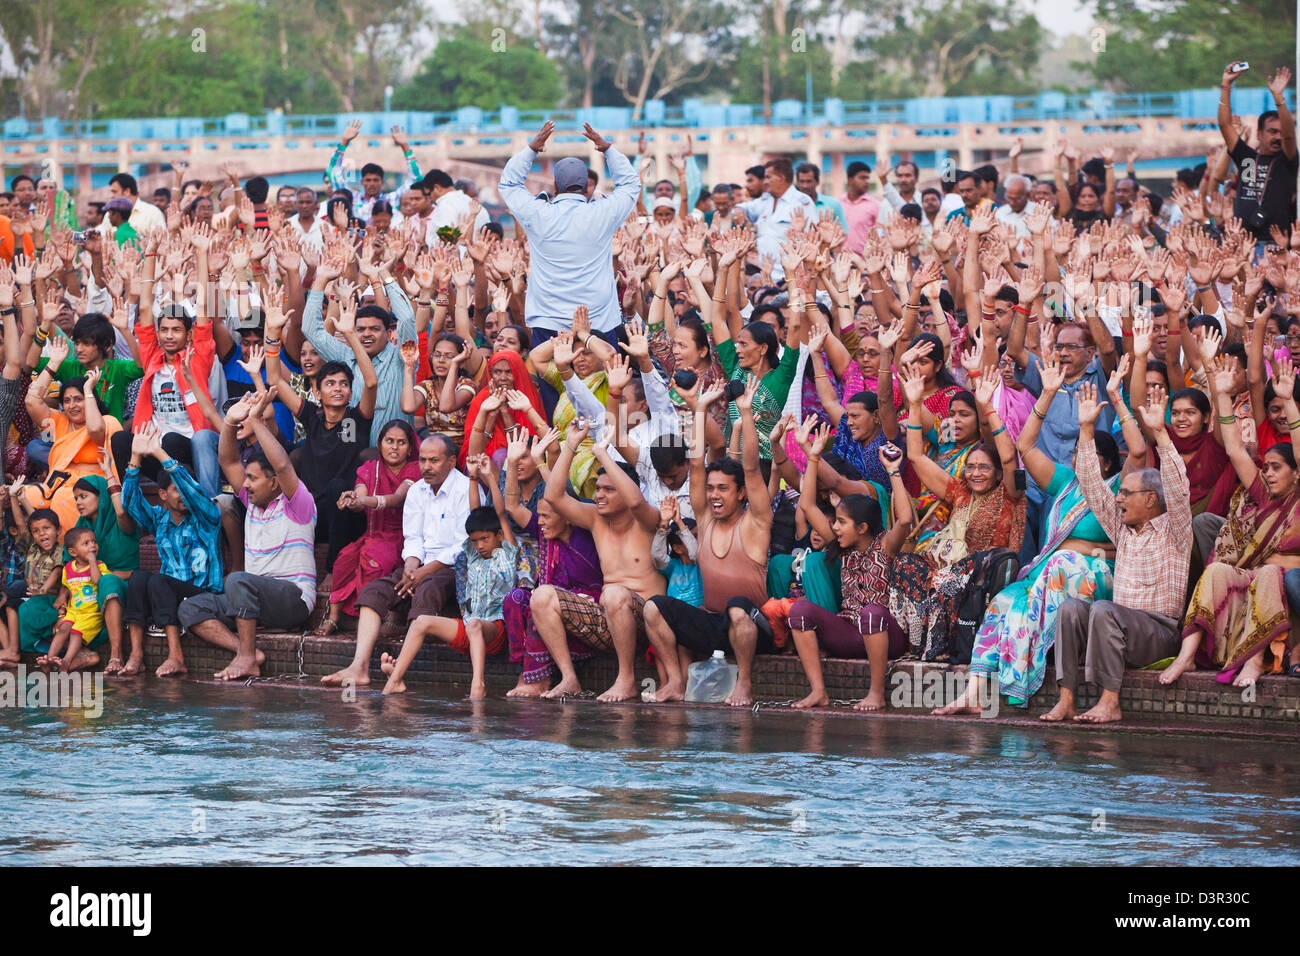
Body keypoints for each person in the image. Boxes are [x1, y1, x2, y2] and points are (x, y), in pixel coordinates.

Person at [1042, 387, 1191, 724]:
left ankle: (1110, 702)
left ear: (1151, 500)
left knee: (1105, 610)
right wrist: (1085, 429)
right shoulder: (1122, 529)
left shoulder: (1175, 529)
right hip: (1120, 625)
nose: (1118, 499)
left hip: (1159, 633)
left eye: (1125, 493)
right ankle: (1067, 698)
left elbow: (1179, 487)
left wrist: (1159, 433)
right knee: (1070, 609)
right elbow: (1092, 486)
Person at [1163, 361, 1300, 687]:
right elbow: (1235, 448)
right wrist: (1222, 394)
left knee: (1268, 573)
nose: (1267, 473)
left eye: (1276, 467)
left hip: (1282, 583)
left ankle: (1255, 661)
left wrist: (1290, 402)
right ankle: (1187, 655)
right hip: (1253, 579)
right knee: (1216, 571)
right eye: (1266, 467)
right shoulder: (1263, 497)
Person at [643, 380, 774, 706]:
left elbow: (751, 468)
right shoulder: (704, 519)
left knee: (737, 607)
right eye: (711, 488)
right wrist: (699, 408)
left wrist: (743, 413)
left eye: (723, 489)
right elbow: (697, 463)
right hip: (713, 621)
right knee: (653, 607)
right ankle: (675, 682)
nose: (714, 495)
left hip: (752, 624)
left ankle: (744, 684)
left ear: (741, 493)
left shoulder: (756, 522)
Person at [178, 391, 317, 681]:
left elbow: (283, 465)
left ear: (274, 483)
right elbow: (228, 461)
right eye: (248, 478)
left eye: (253, 478)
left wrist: (257, 420)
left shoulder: (298, 505)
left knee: (238, 581)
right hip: (252, 600)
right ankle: (246, 650)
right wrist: (230, 421)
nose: (247, 484)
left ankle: (245, 657)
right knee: (190, 608)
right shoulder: (252, 502)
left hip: (292, 600)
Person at [890, 368, 1025, 660]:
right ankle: (920, 643)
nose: (975, 473)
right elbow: (915, 456)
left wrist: (987, 406)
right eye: (971, 467)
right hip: (951, 573)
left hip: (986, 574)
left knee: (951, 576)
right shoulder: (959, 491)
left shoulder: (1010, 495)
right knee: (906, 564)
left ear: (998, 472)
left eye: (984, 467)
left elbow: (1009, 456)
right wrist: (914, 405)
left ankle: (945, 644)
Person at [320, 435, 470, 688]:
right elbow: (413, 538)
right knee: (373, 592)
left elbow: (463, 547)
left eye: (434, 460)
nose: (426, 467)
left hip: (453, 568)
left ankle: (397, 672)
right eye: (422, 460)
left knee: (427, 590)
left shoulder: (465, 489)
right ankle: (360, 666)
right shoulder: (417, 490)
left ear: (452, 461)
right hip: (419, 565)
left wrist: (423, 573)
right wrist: (412, 566)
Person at [532, 421, 665, 702]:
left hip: (649, 622)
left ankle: (626, 680)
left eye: (609, 490)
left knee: (615, 593)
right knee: (541, 596)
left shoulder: (647, 519)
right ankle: (569, 679)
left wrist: (604, 453)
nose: (599, 495)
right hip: (607, 618)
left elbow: (637, 501)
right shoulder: (595, 518)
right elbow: (554, 497)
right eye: (598, 489)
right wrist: (570, 445)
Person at [787, 435, 913, 711]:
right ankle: (818, 691)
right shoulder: (842, 549)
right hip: (850, 633)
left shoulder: (885, 546)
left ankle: (876, 693)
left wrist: (893, 471)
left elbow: (905, 519)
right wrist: (812, 457)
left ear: (863, 527)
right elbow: (807, 507)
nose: (835, 527)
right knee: (799, 610)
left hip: (884, 636)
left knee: (871, 612)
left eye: (842, 522)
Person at [265, 288, 377, 565]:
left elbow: (371, 383)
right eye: (330, 383)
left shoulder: (355, 418)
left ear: (351, 393)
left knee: (339, 486)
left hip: (346, 512)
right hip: (312, 511)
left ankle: (333, 572)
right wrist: (272, 335)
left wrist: (351, 335)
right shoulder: (312, 416)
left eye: (343, 384)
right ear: (318, 392)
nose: (338, 389)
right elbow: (275, 380)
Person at [498, 122, 639, 341]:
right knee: (602, 376)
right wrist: (608, 150)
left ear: (556, 186)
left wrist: (531, 149)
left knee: (553, 376)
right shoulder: (603, 213)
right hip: (598, 321)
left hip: (549, 325)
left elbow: (508, 184)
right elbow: (630, 184)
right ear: (586, 187)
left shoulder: (539, 214)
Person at [379, 503, 517, 697]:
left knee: (475, 625)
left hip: (494, 631)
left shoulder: (507, 556)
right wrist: (474, 479)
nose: (480, 546)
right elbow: (474, 515)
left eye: (485, 539)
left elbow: (502, 513)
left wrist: (479, 478)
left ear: (500, 536)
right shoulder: (473, 557)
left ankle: (478, 686)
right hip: (469, 630)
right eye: (475, 541)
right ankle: (395, 681)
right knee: (421, 622)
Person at [120, 422, 223, 679]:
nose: (185, 496)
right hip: (167, 596)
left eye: (187, 490)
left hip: (204, 596)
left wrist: (160, 454)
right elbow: (129, 504)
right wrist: (135, 458)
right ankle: (136, 655)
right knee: (139, 578)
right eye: (177, 491)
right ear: (163, 495)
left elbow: (191, 489)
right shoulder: (158, 519)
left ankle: (176, 656)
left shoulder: (206, 516)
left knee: (158, 581)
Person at [319, 419, 419, 635]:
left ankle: (373, 618)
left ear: (410, 448)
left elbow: (397, 498)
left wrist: (364, 501)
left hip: (400, 538)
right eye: (389, 441)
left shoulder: (414, 470)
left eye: (401, 442)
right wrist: (352, 500)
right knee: (344, 560)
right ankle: (335, 618)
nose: (394, 447)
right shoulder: (369, 468)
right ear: (380, 443)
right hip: (372, 534)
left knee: (375, 560)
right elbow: (360, 496)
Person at [23, 367, 121, 535]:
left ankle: (70, 550)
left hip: (94, 486)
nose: (72, 405)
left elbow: (95, 430)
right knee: (26, 495)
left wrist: (88, 389)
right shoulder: (59, 421)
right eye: (67, 400)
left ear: (90, 400)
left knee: (65, 498)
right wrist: (52, 365)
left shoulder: (107, 422)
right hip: (58, 483)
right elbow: (32, 402)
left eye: (78, 399)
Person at [1219, 64, 1297, 244]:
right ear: (1259, 135)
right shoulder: (1245, 157)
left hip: (1275, 245)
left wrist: (1279, 99)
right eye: (1272, 132)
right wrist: (1226, 85)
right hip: (1242, 244)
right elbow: (1224, 125)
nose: (1278, 137)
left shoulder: (1288, 160)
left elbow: (1289, 135)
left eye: (1280, 132)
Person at [36, 526, 106, 673]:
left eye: (94, 542)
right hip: (74, 612)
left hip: (91, 613)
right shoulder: (68, 568)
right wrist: (63, 608)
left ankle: (66, 662)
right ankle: (49, 660)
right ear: (73, 552)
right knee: (63, 629)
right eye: (86, 543)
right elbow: (67, 588)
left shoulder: (99, 566)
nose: (93, 546)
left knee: (75, 632)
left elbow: (98, 581)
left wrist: (92, 561)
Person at [736, 158, 815, 282]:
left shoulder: (801, 202)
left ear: (781, 178)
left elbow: (813, 240)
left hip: (788, 278)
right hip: (761, 276)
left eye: (768, 177)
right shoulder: (766, 200)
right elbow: (740, 208)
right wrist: (738, 211)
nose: (765, 182)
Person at [326, 122, 422, 224]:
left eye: (376, 180)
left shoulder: (392, 200)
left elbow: (416, 181)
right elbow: (333, 173)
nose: (372, 184)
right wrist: (344, 142)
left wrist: (405, 146)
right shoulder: (352, 199)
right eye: (368, 180)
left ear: (382, 182)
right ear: (362, 182)